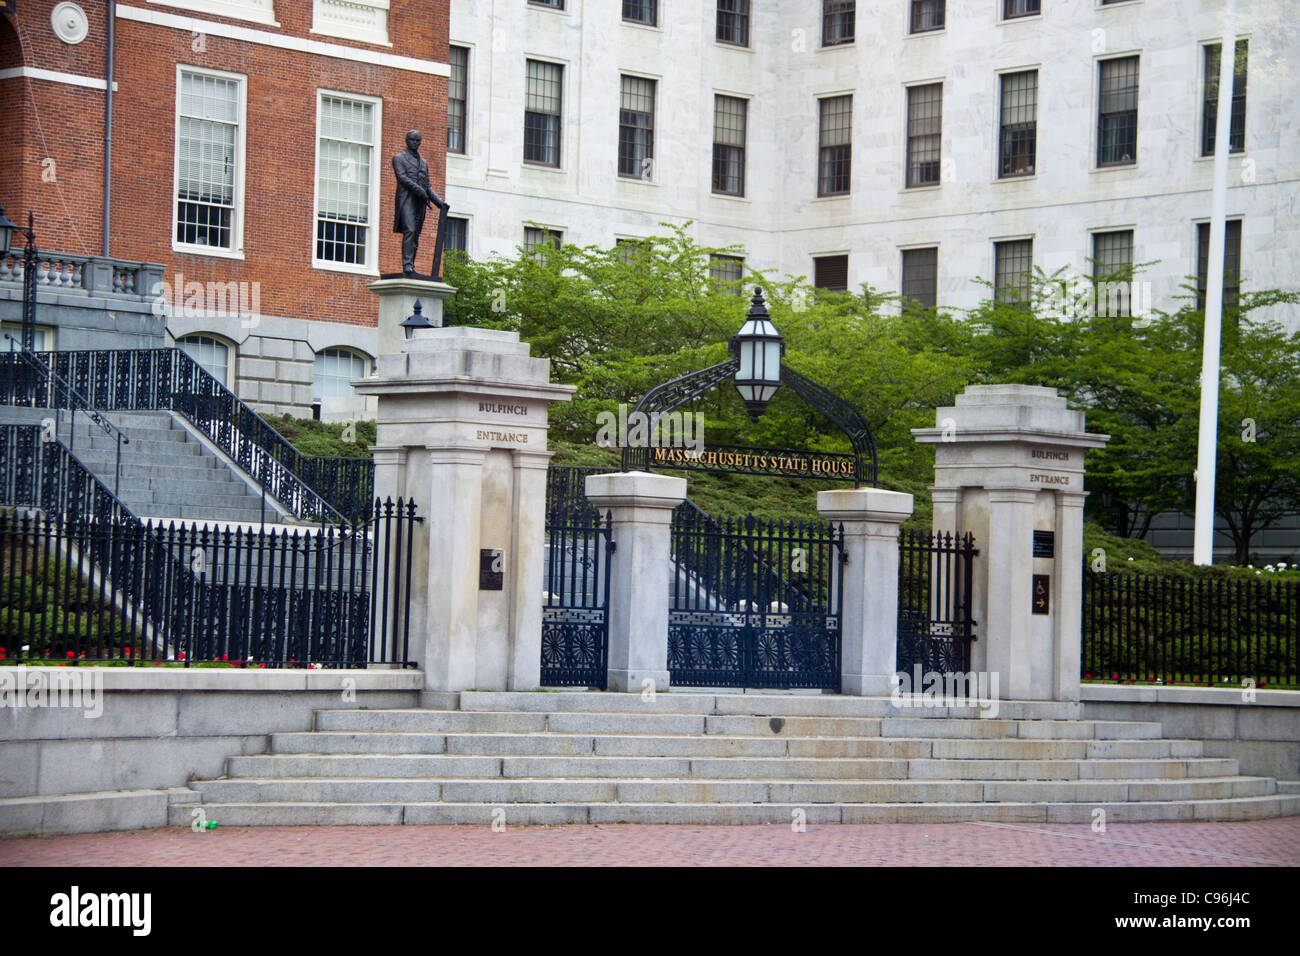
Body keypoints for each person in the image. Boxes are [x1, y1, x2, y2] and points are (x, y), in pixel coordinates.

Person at [392, 130, 448, 276]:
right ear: (407, 141)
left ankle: (412, 264)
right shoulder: (399, 158)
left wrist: (439, 202)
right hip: (407, 200)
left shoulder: (423, 162)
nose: (415, 143)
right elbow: (402, 178)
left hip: (420, 203)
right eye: (412, 140)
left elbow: (427, 185)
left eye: (418, 141)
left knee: (416, 235)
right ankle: (407, 265)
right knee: (409, 230)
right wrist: (419, 190)